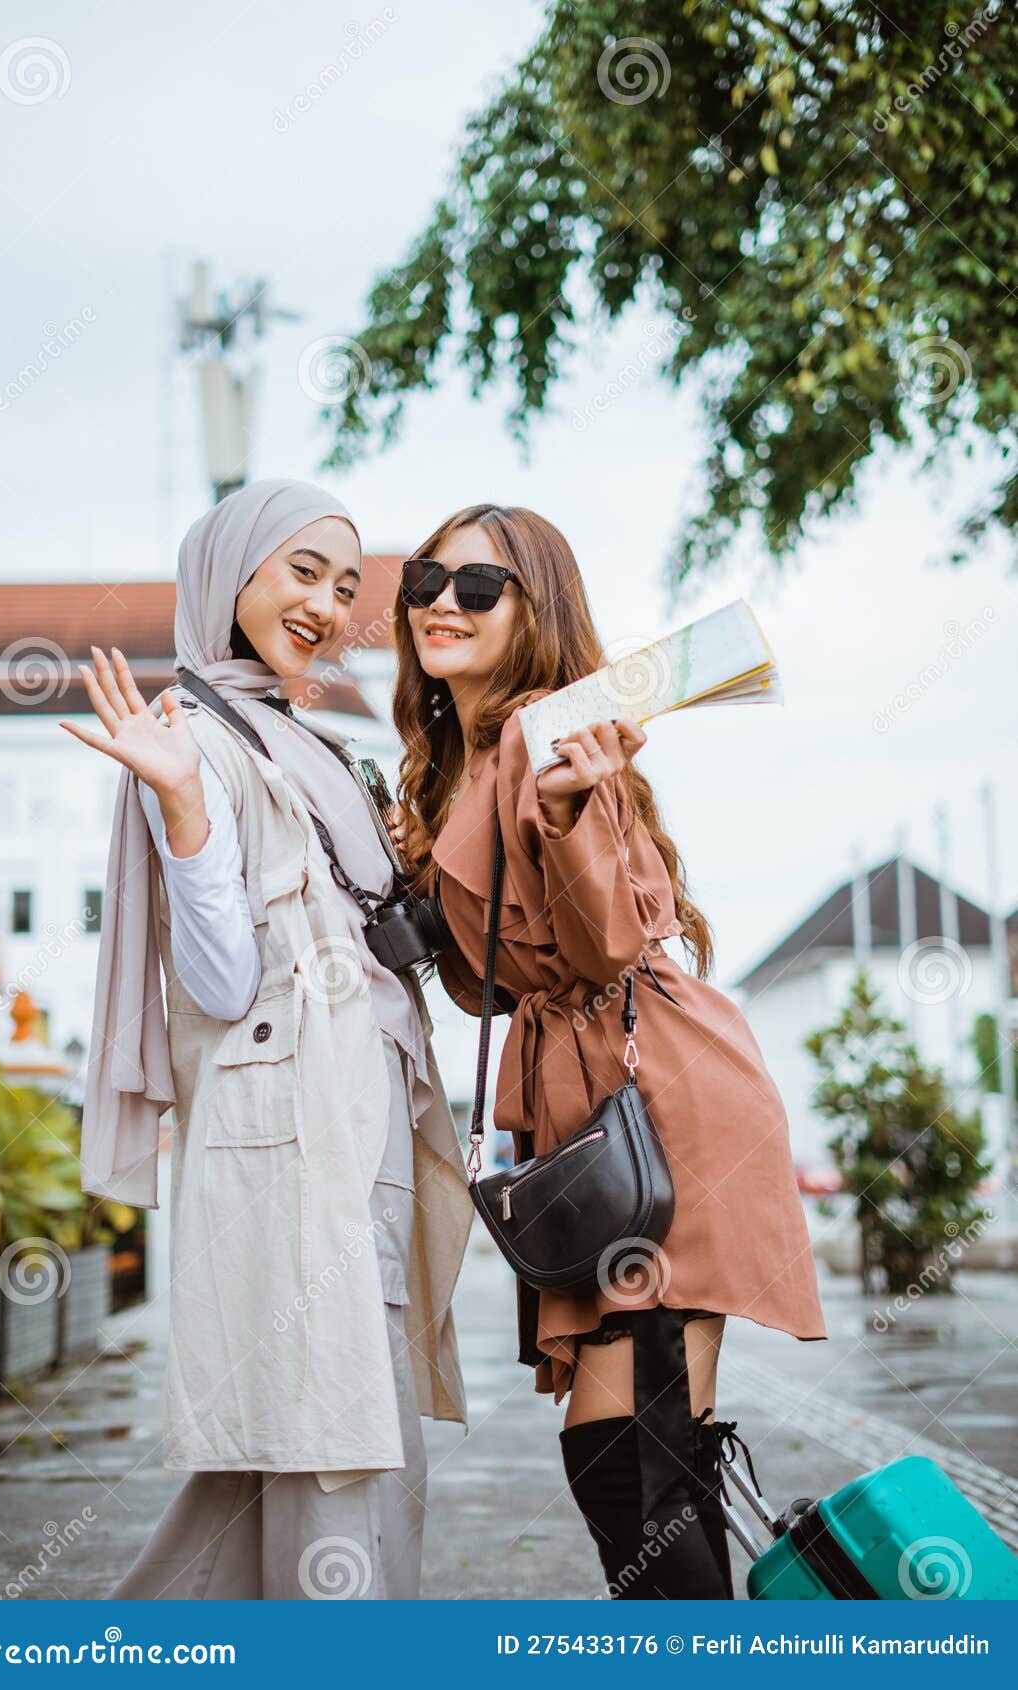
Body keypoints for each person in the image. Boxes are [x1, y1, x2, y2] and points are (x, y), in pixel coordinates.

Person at [389, 503, 826, 1600]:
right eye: (425, 579)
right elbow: (488, 989)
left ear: (535, 611)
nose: (443, 601)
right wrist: (422, 882)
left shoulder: (553, 732)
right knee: (635, 1454)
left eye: (479, 588)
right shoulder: (464, 759)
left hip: (666, 1108)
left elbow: (613, 941)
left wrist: (573, 811)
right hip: (593, 1112)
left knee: (632, 1453)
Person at [64, 479, 472, 1600]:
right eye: (303, 571)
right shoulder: (192, 738)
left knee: (298, 1457)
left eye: (346, 587)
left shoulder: (312, 746)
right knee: (330, 1452)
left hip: (364, 1124)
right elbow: (222, 978)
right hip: (295, 1141)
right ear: (229, 573)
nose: (329, 605)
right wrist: (186, 813)